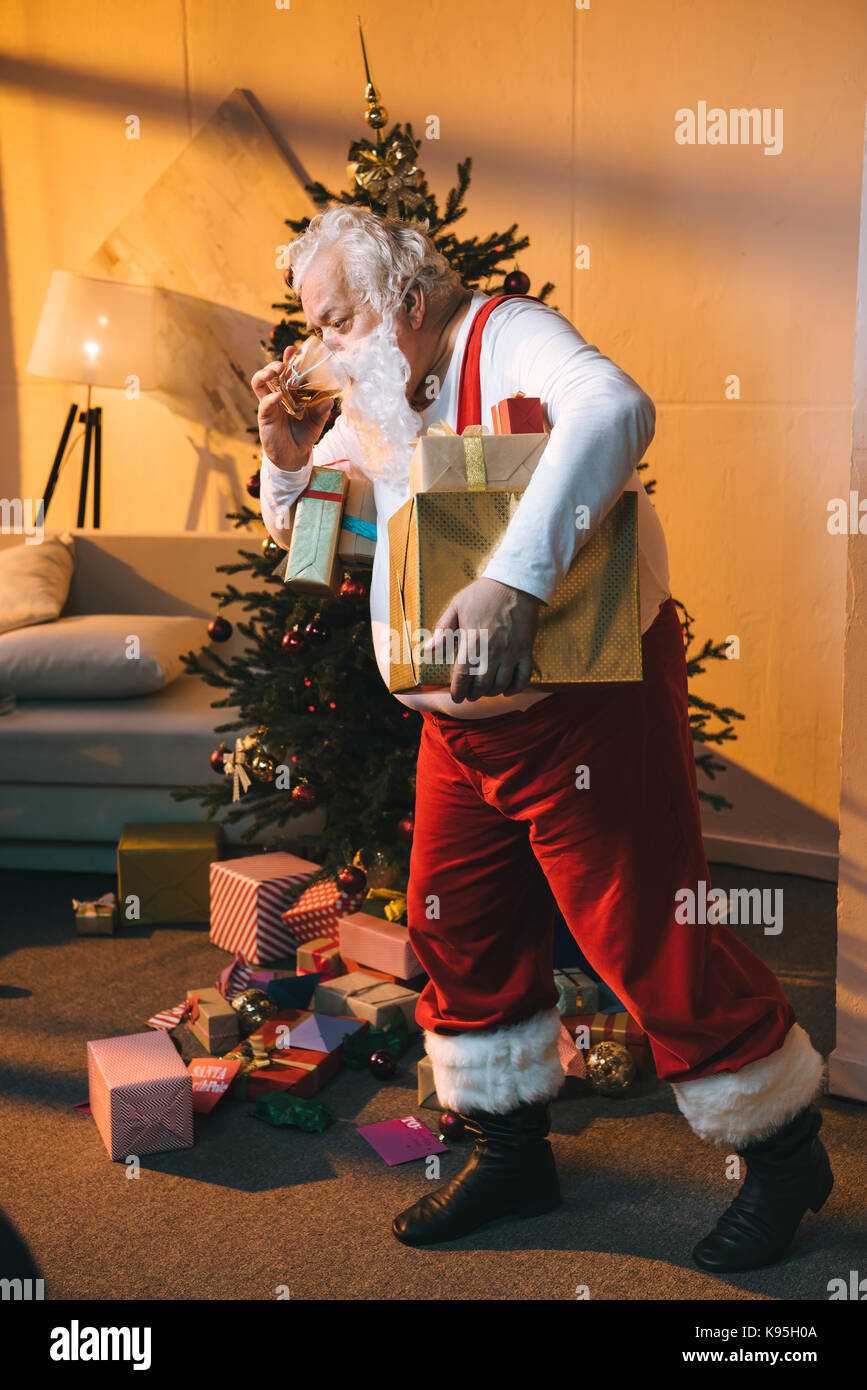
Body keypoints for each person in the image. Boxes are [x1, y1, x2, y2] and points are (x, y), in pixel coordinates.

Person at [252, 203, 831, 1271]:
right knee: (458, 929)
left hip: (583, 708)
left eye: (337, 323)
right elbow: (305, 554)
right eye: (316, 327)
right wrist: (286, 462)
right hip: (457, 731)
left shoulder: (506, 335)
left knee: (648, 938)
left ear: (407, 302)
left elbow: (619, 408)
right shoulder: (375, 395)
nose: (321, 349)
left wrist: (517, 578)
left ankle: (785, 1149)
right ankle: (513, 1150)